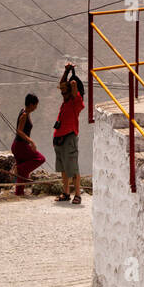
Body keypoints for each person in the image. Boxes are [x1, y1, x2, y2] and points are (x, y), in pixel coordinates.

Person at [53, 66, 85, 205]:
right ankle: (66, 193)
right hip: (59, 138)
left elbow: (71, 86)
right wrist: (66, 72)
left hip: (69, 137)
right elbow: (62, 85)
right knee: (64, 169)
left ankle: (77, 194)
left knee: (73, 168)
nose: (63, 91)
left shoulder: (76, 102)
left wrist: (73, 81)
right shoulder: (66, 102)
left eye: (67, 89)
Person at [11, 92, 45, 196]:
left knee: (23, 174)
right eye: (35, 105)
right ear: (31, 104)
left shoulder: (25, 113)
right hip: (20, 145)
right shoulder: (24, 115)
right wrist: (31, 141)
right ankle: (19, 168)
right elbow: (19, 131)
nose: (36, 107)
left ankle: (19, 193)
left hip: (18, 145)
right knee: (40, 159)